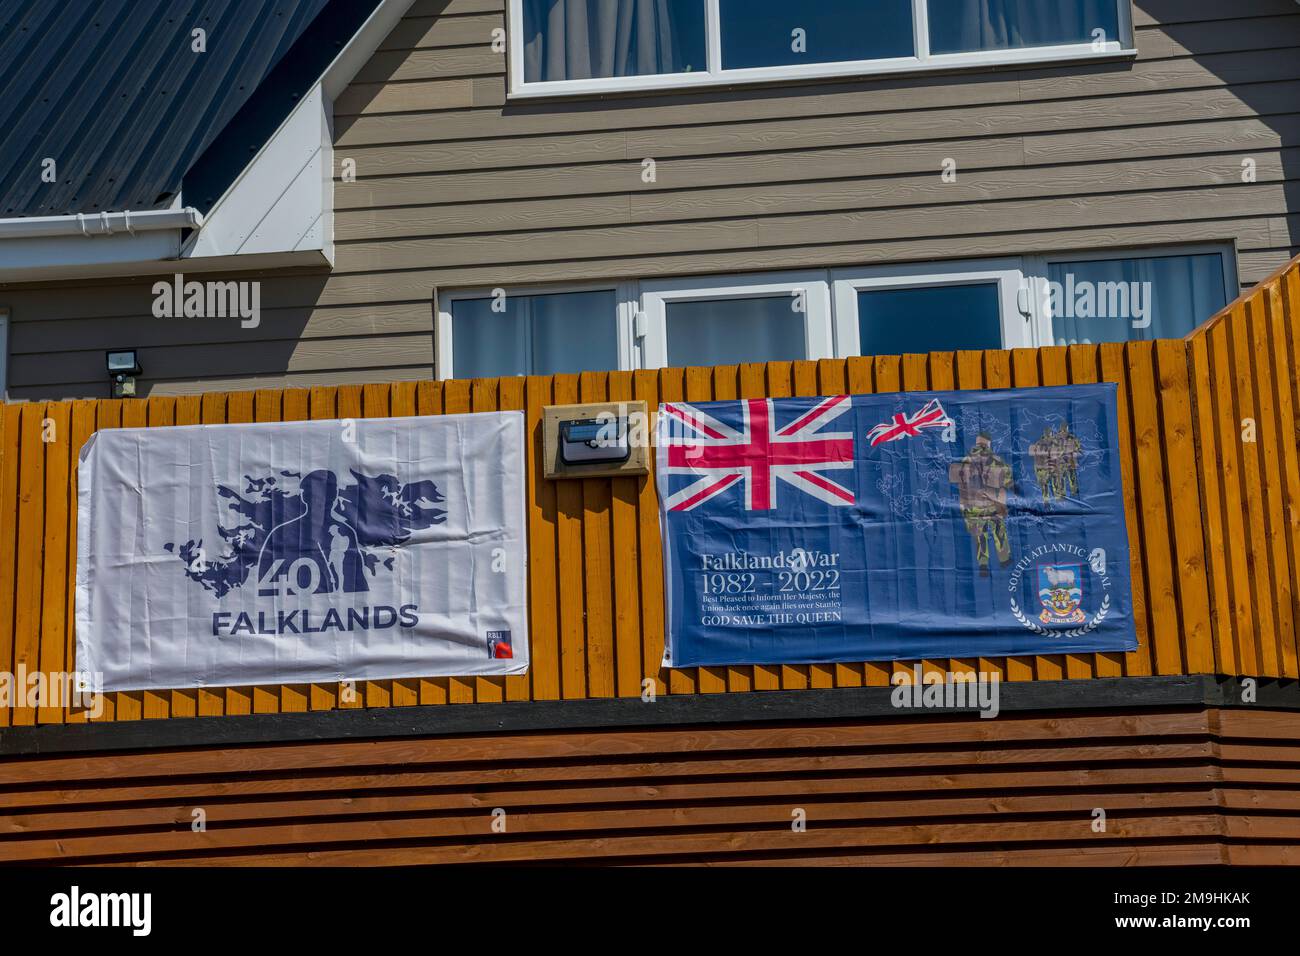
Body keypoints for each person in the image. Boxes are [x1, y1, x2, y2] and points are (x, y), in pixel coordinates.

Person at [949, 434, 1014, 575]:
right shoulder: (997, 460)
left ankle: (983, 565)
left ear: (977, 443)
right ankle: (1004, 560)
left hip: (973, 507)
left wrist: (963, 506)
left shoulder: (965, 461)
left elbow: (960, 486)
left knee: (980, 536)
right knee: (999, 532)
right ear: (988, 443)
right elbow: (1008, 482)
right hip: (994, 505)